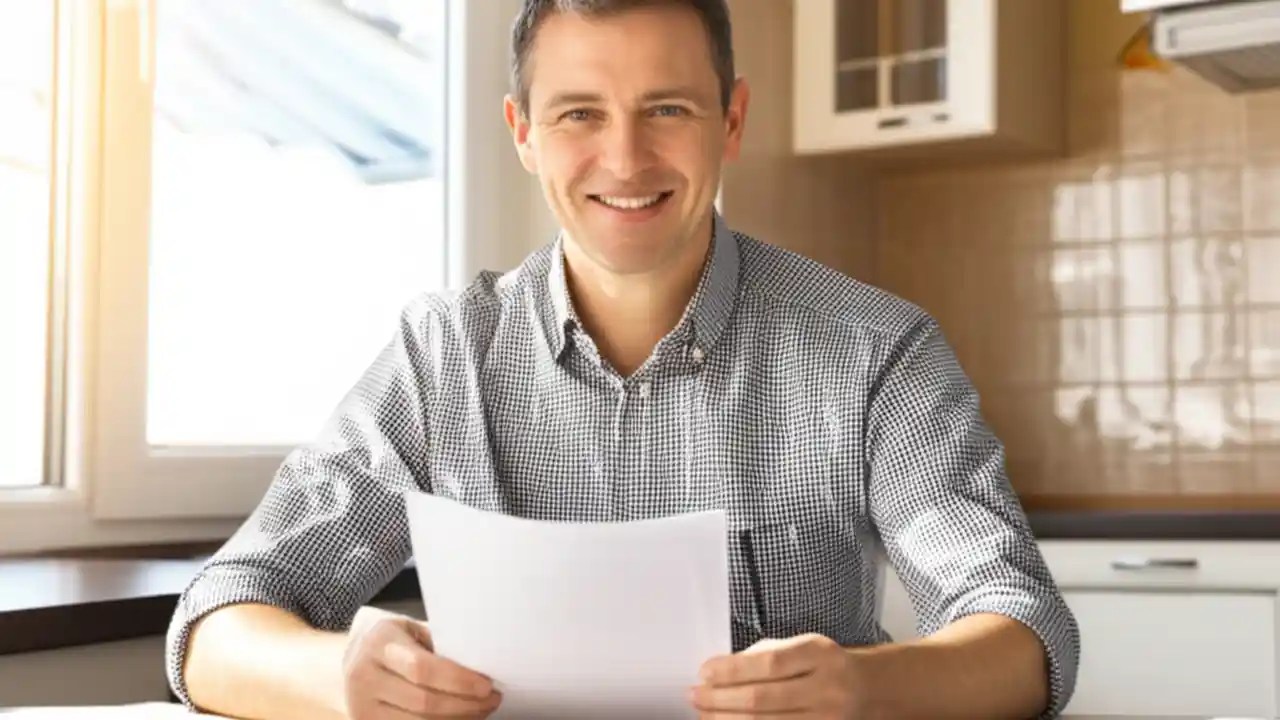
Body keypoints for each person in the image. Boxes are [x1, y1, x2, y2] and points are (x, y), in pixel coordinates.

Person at [166, 1, 1081, 718]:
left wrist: (862, 690)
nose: (625, 156)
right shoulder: (442, 355)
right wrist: (337, 677)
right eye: (578, 114)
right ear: (523, 132)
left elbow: (1025, 633)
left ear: (731, 120)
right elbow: (219, 619)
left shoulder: (878, 350)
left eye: (667, 109)